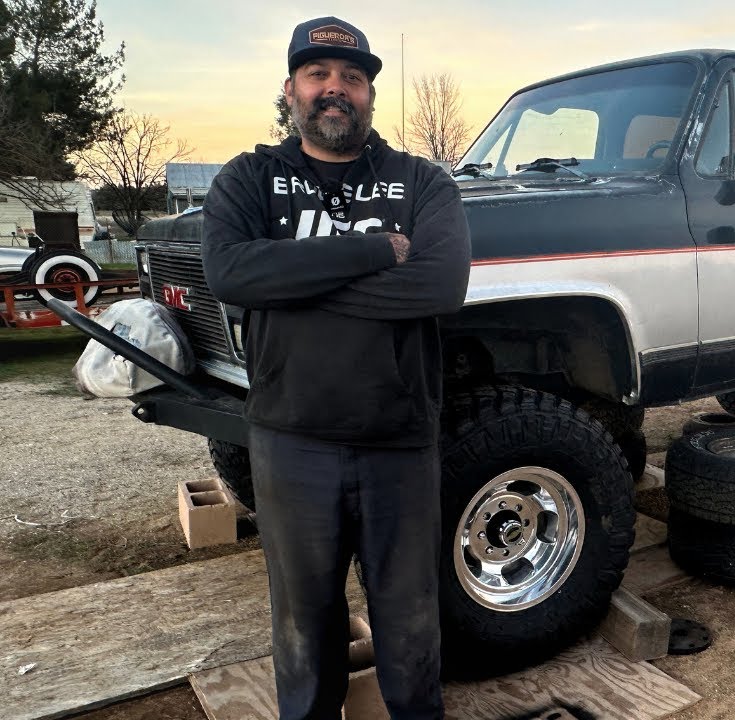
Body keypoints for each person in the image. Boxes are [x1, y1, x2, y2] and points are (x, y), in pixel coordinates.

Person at [200, 16, 471, 720]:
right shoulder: (250, 179)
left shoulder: (422, 182)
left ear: (368, 94)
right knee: (303, 629)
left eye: (352, 77)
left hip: (399, 443)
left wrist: (291, 283)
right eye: (318, 75)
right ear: (290, 89)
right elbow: (231, 273)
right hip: (292, 441)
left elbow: (441, 287)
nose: (335, 89)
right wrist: (377, 250)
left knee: (410, 629)